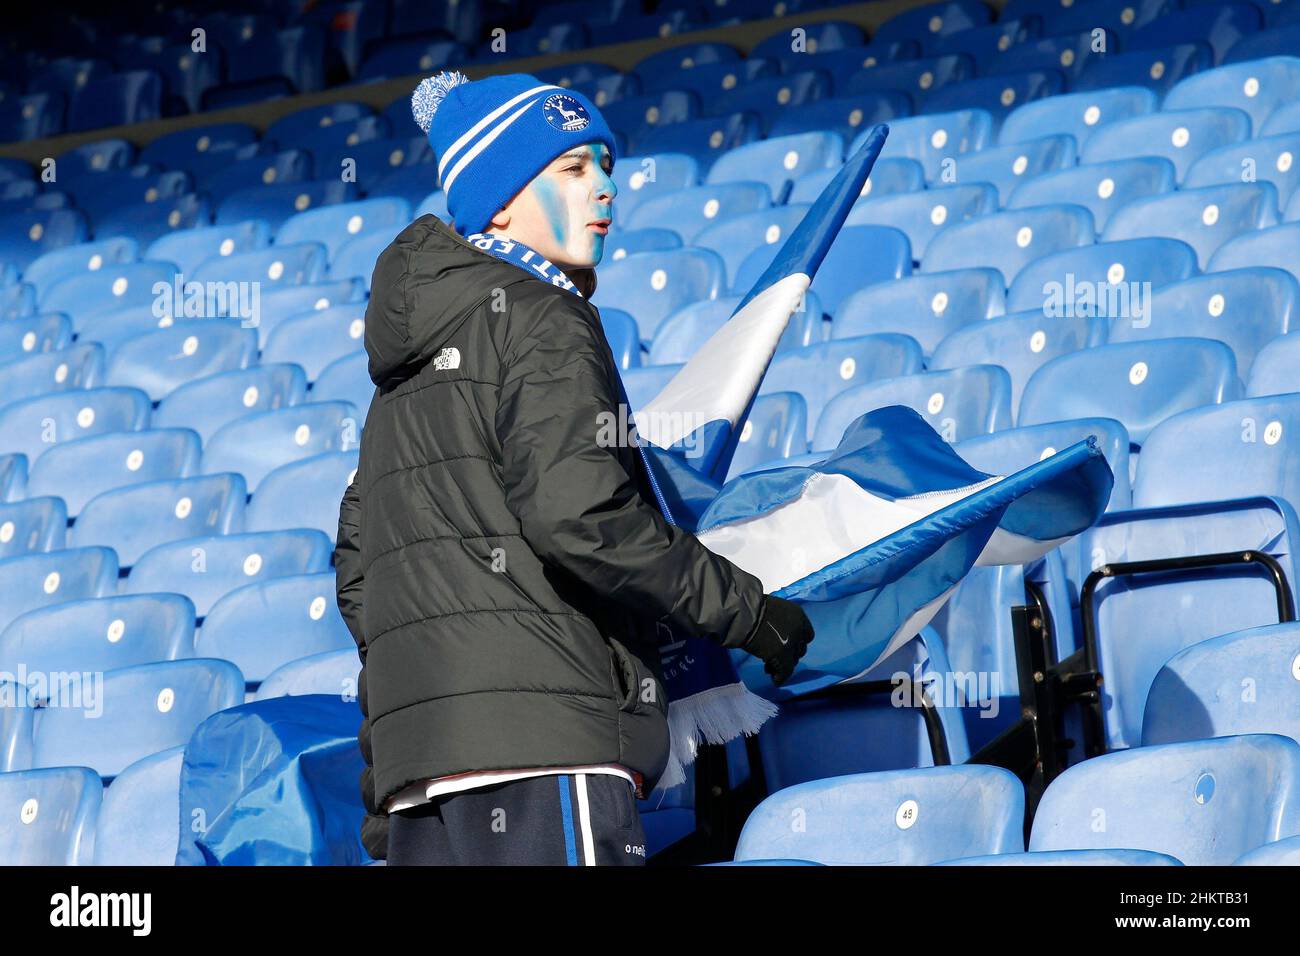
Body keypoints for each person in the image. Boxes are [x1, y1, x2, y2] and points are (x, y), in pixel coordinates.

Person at [334, 71, 815, 866]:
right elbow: (582, 519)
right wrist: (748, 612)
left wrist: (448, 677)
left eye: (605, 166)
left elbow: (360, 570)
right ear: (500, 200)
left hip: (418, 772)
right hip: (544, 748)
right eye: (573, 168)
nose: (606, 190)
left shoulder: (400, 372)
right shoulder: (539, 314)